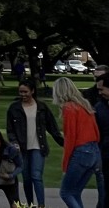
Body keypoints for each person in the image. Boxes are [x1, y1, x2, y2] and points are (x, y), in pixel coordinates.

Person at [7, 77, 65, 207]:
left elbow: (53, 128)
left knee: (36, 176)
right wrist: (14, 142)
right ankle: (30, 204)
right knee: (26, 179)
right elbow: (10, 130)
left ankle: (41, 204)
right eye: (21, 92)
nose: (23, 95)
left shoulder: (42, 107)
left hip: (38, 147)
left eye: (25, 92)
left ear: (32, 91)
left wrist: (64, 143)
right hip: (22, 148)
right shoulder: (14, 108)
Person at [53, 76, 104, 208]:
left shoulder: (69, 108)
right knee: (74, 192)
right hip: (94, 150)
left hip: (82, 152)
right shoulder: (84, 105)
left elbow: (70, 138)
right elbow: (96, 131)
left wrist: (65, 165)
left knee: (65, 193)